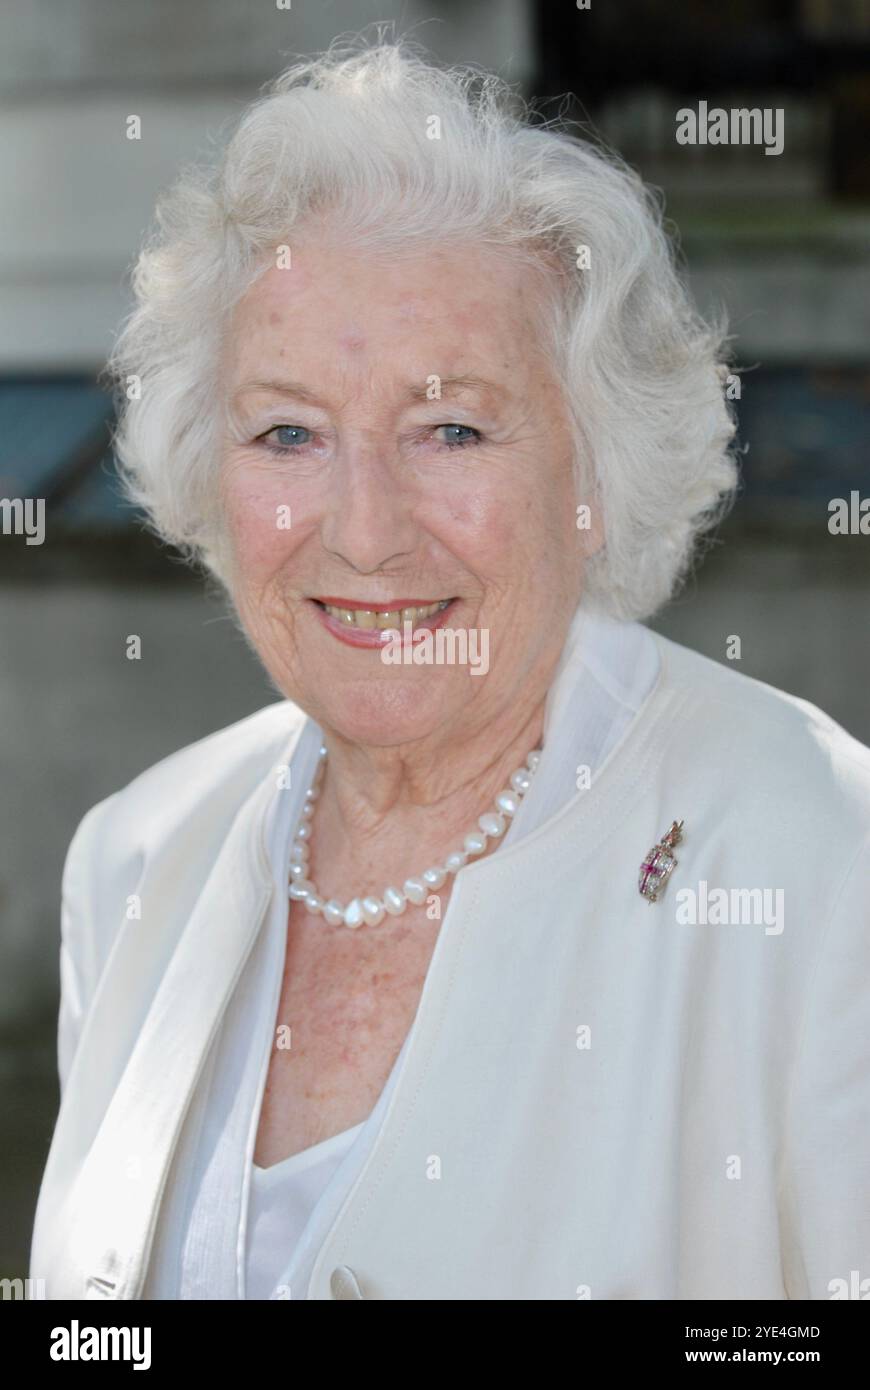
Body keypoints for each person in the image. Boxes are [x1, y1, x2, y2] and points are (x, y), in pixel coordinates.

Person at [30, 36, 870, 1300]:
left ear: (593, 473)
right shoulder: (139, 860)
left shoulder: (817, 863)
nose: (365, 530)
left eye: (452, 428)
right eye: (289, 431)